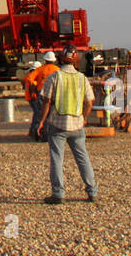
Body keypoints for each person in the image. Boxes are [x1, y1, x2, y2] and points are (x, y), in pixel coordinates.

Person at [36, 46, 98, 204]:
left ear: (60, 59)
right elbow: (89, 102)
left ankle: (58, 194)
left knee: (57, 159)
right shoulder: (82, 78)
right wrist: (83, 118)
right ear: (76, 61)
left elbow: (47, 101)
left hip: (58, 125)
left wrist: (41, 122)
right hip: (77, 125)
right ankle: (92, 191)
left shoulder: (55, 77)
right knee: (83, 158)